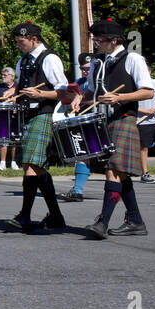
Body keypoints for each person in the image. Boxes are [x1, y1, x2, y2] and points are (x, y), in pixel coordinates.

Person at [81, 17, 155, 238]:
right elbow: (92, 93)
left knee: (113, 169)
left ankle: (102, 223)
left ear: (114, 40)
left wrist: (120, 97)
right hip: (102, 121)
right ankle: (136, 221)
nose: (96, 44)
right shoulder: (98, 62)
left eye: (99, 40)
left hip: (124, 118)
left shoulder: (133, 59)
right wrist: (77, 98)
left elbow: (147, 91)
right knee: (120, 174)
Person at [1, 21, 69, 233]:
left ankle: (24, 216)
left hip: (43, 113)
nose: (18, 45)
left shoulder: (50, 59)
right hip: (27, 114)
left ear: (34, 39)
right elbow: (22, 88)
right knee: (35, 167)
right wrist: (14, 95)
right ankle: (56, 216)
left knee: (31, 164)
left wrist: (41, 94)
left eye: (21, 42)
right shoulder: (22, 60)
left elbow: (64, 91)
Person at [61, 53, 95, 201]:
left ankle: (117, 191)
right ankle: (77, 190)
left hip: (100, 121)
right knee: (82, 155)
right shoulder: (79, 82)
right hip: (81, 121)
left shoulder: (99, 81)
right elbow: (68, 99)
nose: (85, 71)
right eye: (83, 68)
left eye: (88, 68)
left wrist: (83, 100)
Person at [0, 66, 20, 169]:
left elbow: (22, 100)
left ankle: (13, 162)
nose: (2, 77)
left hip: (15, 116)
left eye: (5, 75)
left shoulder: (18, 87)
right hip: (2, 116)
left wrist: (14, 101)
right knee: (3, 139)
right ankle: (2, 162)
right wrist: (0, 102)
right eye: (2, 75)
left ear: (12, 77)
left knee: (14, 139)